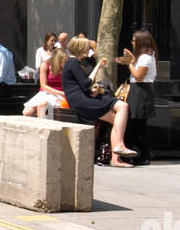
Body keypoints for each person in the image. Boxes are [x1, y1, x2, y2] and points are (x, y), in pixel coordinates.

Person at [62, 36, 136, 167]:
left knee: (116, 120)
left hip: (81, 100)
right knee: (123, 106)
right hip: (82, 102)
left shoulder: (73, 63)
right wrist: (98, 67)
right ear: (82, 49)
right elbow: (85, 84)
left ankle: (115, 159)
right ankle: (119, 144)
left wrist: (94, 91)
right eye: (87, 48)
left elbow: (82, 86)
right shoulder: (73, 62)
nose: (89, 50)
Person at [117, 29, 157, 165]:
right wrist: (131, 59)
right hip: (138, 91)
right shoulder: (143, 56)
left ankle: (145, 155)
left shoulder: (146, 57)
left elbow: (139, 76)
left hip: (141, 91)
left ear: (140, 41)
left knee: (138, 125)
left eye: (134, 40)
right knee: (135, 124)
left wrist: (129, 63)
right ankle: (141, 153)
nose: (132, 42)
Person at [22, 47, 69, 119]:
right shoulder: (45, 65)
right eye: (61, 61)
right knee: (26, 113)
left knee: (42, 106)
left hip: (60, 95)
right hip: (47, 92)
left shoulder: (66, 67)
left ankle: (42, 127)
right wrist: (61, 93)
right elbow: (43, 86)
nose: (63, 63)